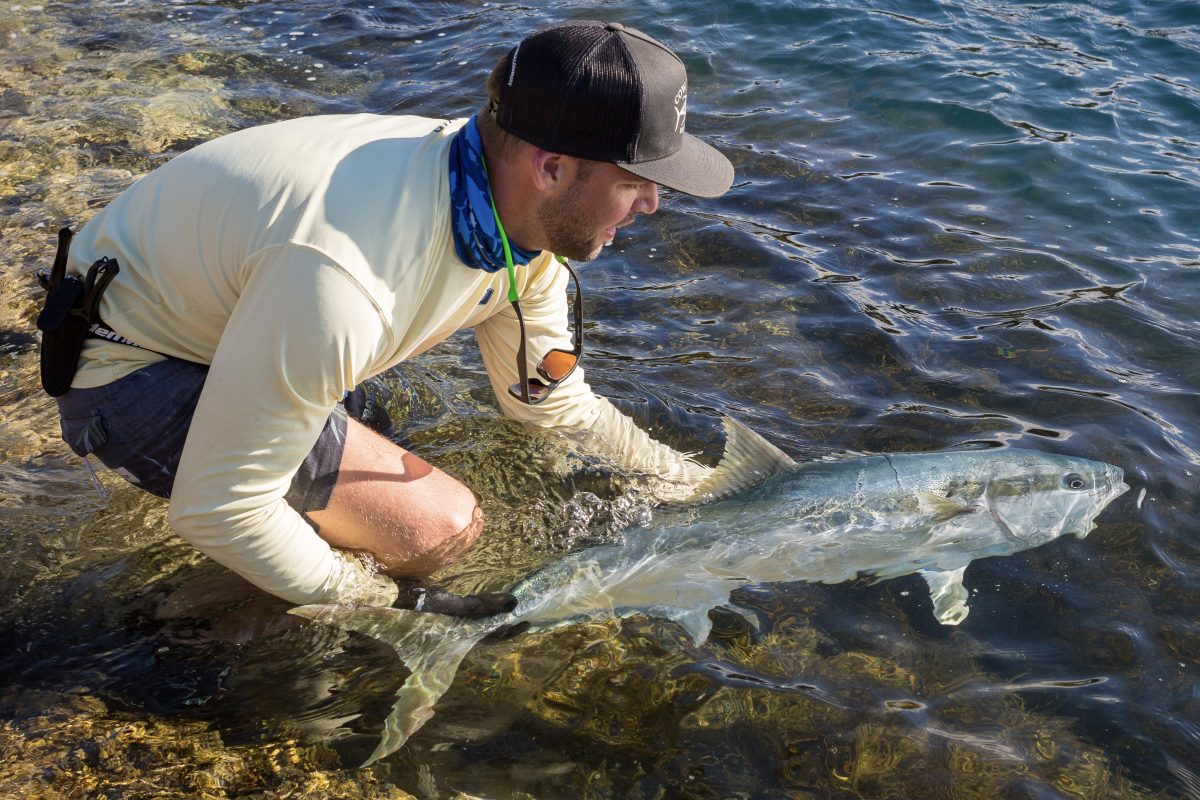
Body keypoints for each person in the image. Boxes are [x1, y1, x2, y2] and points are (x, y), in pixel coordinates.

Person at [45, 20, 736, 615]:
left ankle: (270, 578)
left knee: (382, 479)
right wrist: (399, 604)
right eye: (634, 182)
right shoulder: (346, 274)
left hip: (234, 320)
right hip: (126, 364)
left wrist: (707, 491)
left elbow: (550, 406)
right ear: (552, 169)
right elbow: (218, 507)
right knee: (437, 528)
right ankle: (170, 632)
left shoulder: (510, 227)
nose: (652, 205)